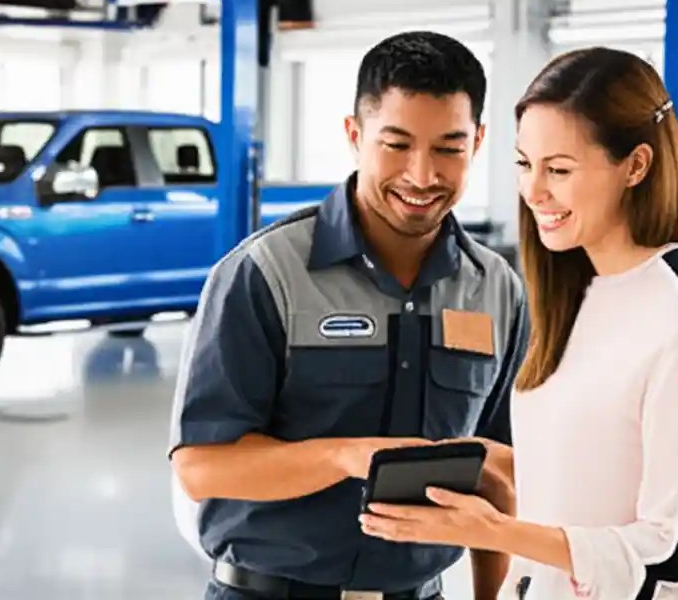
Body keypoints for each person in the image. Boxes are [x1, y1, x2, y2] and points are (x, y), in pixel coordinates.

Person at [169, 30, 528, 600]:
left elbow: (499, 475)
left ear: (478, 142)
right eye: (396, 144)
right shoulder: (265, 273)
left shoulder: (497, 291)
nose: (421, 175)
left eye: (448, 148)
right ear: (354, 135)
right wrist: (344, 456)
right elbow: (202, 467)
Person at [359, 47, 678, 599]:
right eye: (525, 164)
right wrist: (485, 461)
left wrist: (492, 530)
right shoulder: (571, 293)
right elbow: (589, 468)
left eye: (559, 170)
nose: (534, 191)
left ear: (636, 166)